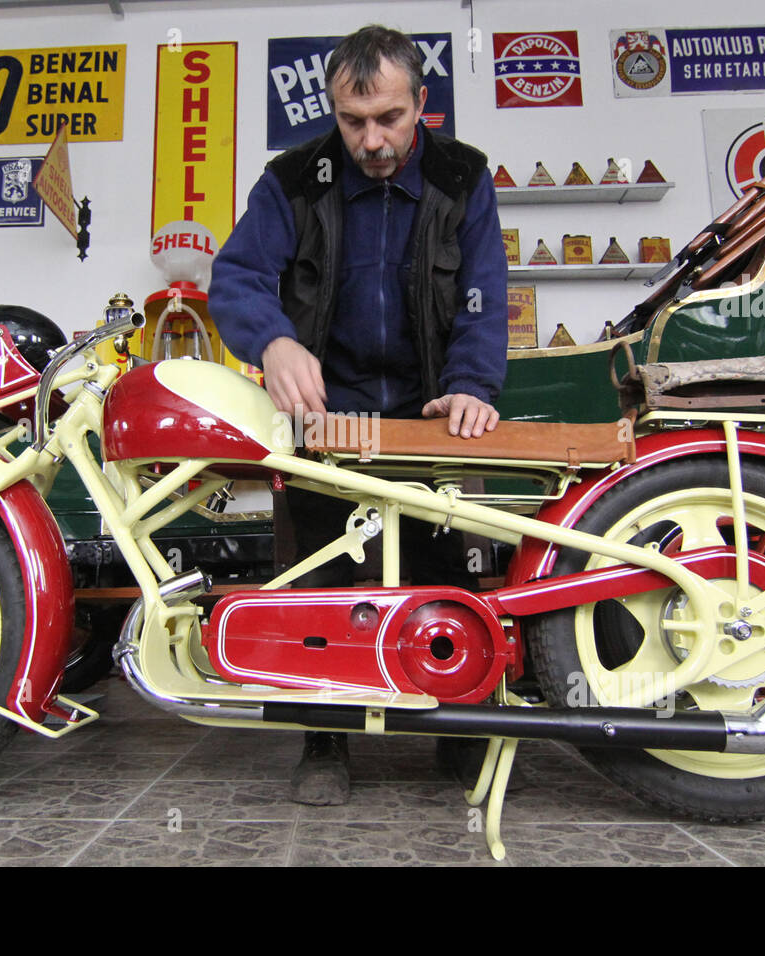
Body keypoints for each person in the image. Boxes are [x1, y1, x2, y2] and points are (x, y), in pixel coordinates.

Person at [208, 25, 508, 805]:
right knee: (321, 576)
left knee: (442, 576)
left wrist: (474, 383)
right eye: (352, 122)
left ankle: (455, 729)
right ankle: (325, 743)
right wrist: (272, 340)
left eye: (389, 119)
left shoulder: (464, 178)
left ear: (422, 106)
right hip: (324, 418)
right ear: (333, 111)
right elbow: (238, 277)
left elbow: (484, 298)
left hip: (429, 415)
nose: (371, 140)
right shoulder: (290, 181)